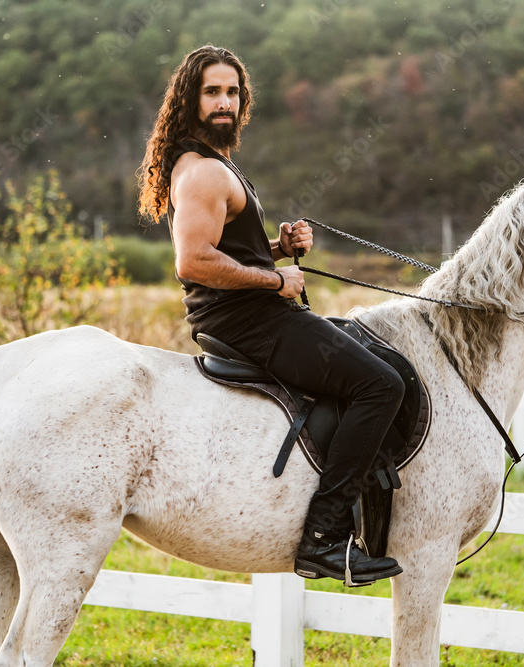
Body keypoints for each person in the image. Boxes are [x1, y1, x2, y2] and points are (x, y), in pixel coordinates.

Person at [137, 45, 404, 584]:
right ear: (190, 99)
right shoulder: (205, 173)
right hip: (252, 323)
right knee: (382, 385)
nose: (225, 102)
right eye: (212, 91)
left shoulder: (212, 164)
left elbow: (224, 248)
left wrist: (276, 247)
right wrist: (276, 280)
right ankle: (325, 539)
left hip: (248, 314)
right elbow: (192, 260)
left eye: (233, 92)